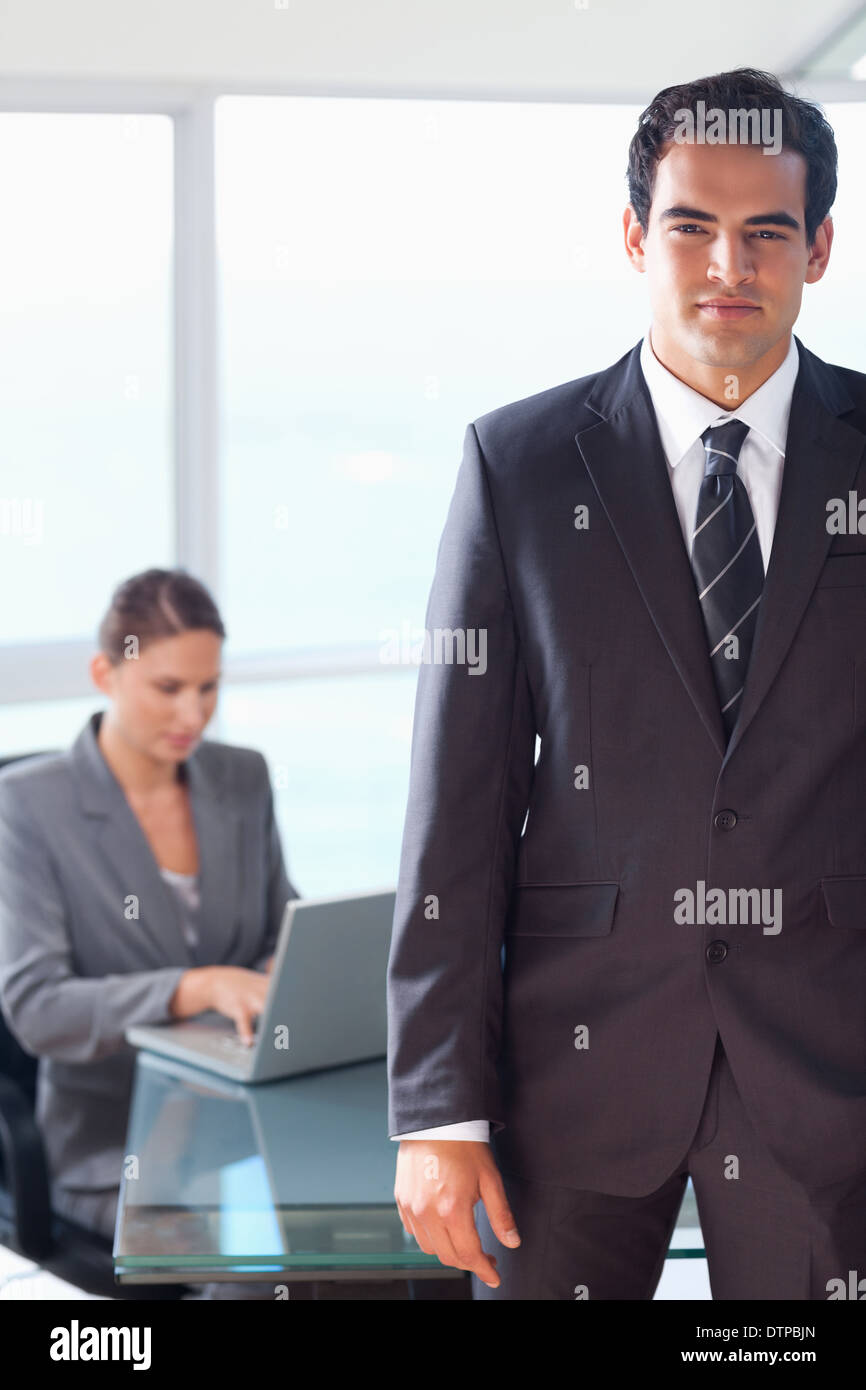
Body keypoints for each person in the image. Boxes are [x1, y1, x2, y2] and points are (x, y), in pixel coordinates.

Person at [387, 67, 866, 1299]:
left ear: (816, 248)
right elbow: (458, 804)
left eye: (766, 232)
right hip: (571, 1073)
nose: (727, 264)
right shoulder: (520, 464)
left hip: (829, 1077)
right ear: (630, 237)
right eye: (689, 227)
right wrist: (437, 1106)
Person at [0, 567, 299, 1297]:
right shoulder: (28, 808)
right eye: (168, 687)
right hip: (119, 1151)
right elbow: (38, 1008)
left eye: (209, 687)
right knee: (259, 1278)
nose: (193, 713)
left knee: (412, 1233)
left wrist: (288, 971)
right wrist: (192, 988)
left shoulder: (241, 778)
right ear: (105, 672)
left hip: (252, 1126)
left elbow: (281, 929)